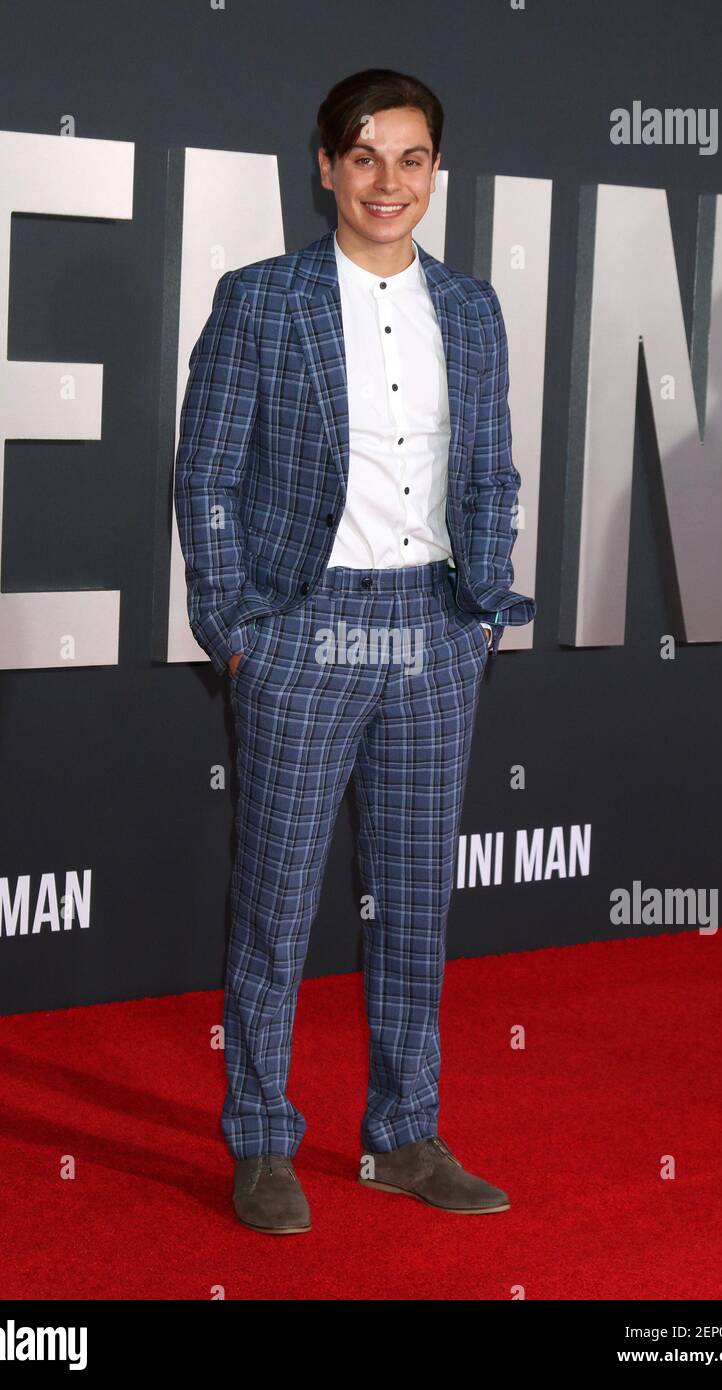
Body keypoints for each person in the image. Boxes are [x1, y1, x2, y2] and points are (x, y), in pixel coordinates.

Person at [174, 67, 536, 1235]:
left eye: (413, 158)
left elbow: (488, 471)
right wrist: (236, 633)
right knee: (277, 907)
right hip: (301, 630)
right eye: (366, 156)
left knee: (415, 904)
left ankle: (401, 1136)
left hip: (434, 628)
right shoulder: (260, 300)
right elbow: (207, 479)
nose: (390, 182)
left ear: (437, 173)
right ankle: (265, 1142)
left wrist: (478, 613)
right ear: (325, 166)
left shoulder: (471, 310)